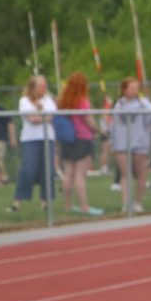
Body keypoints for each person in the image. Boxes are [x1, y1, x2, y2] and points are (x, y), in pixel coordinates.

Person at [8, 75, 58, 213]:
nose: (44, 88)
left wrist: (41, 114)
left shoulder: (48, 100)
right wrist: (43, 115)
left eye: (45, 85)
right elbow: (32, 119)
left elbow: (52, 116)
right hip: (30, 139)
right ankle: (18, 201)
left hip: (48, 138)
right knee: (28, 169)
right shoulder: (24, 101)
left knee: (47, 170)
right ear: (33, 87)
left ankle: (45, 202)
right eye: (41, 86)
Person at [110, 77, 151, 214]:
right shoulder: (119, 104)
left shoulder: (143, 103)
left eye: (136, 88)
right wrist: (112, 142)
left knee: (141, 172)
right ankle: (126, 203)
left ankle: (138, 202)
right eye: (131, 88)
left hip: (139, 141)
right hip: (122, 142)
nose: (134, 90)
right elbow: (114, 125)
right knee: (125, 173)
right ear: (124, 89)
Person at [57, 71, 104, 216]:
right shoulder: (82, 101)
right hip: (83, 138)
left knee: (68, 172)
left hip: (67, 139)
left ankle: (68, 205)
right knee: (79, 174)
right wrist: (100, 131)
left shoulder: (62, 101)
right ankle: (84, 206)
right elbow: (89, 121)